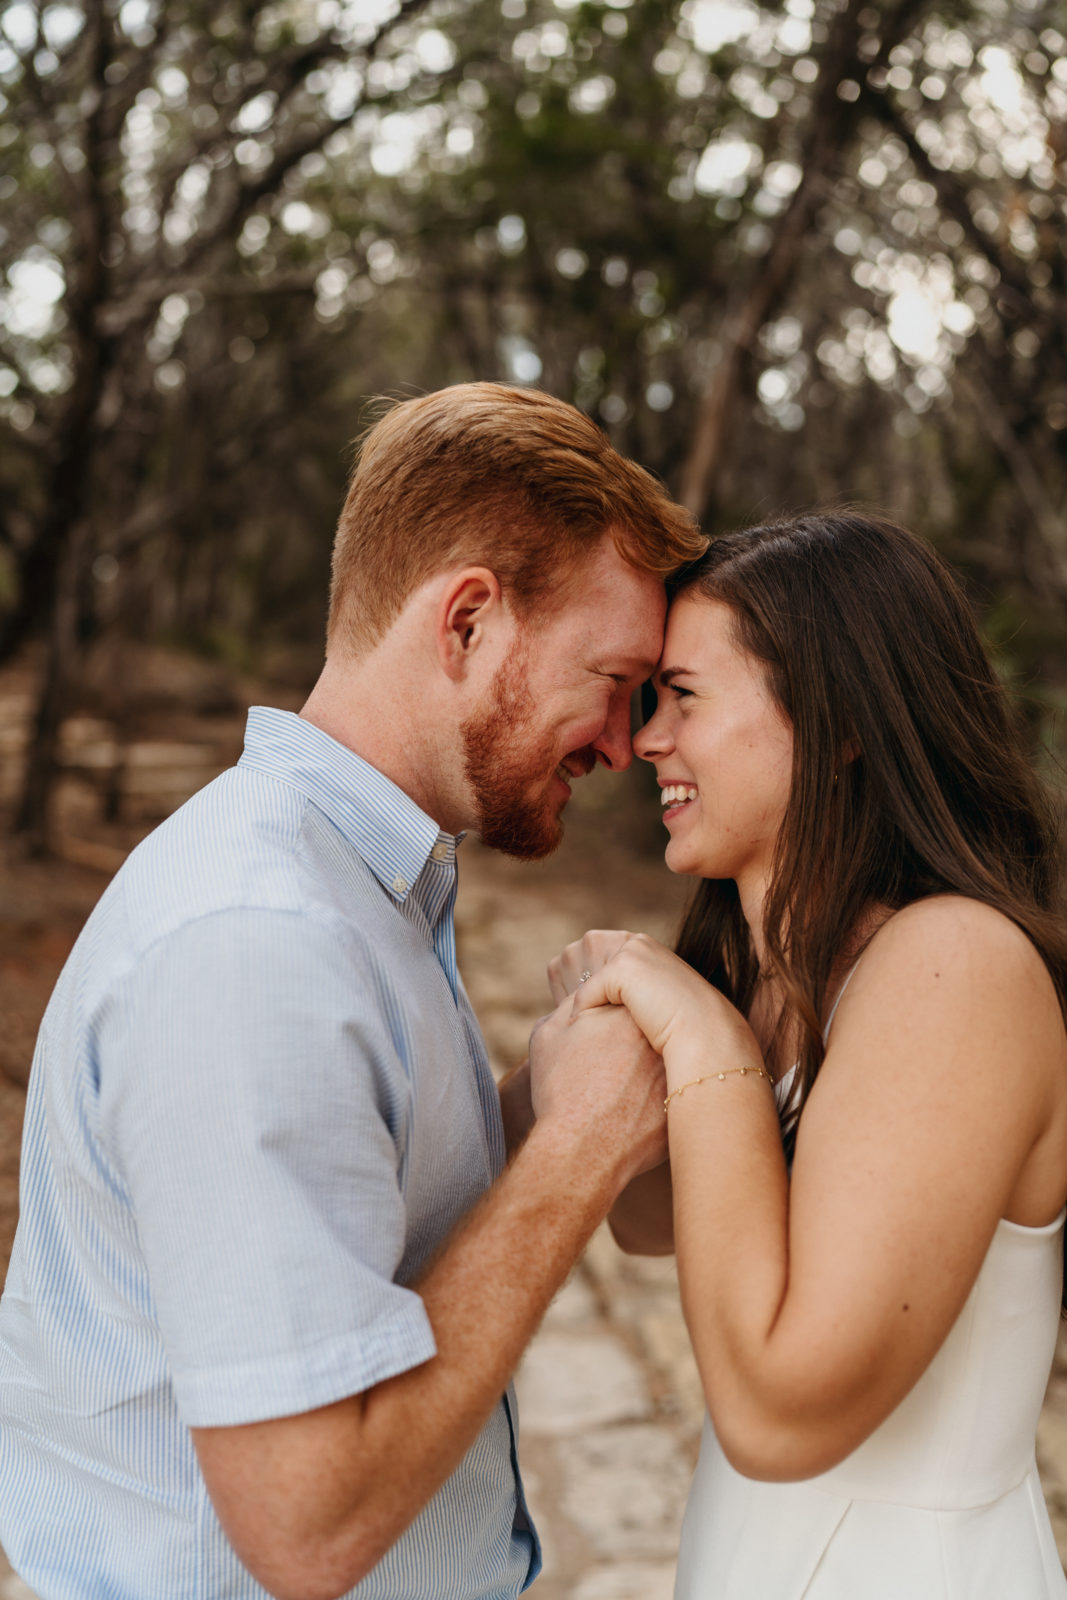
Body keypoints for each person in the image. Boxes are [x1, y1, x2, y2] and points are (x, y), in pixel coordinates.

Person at [0, 382, 706, 1600]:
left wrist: (536, 1104)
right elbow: (307, 1523)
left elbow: (364, 1225)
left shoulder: (351, 885)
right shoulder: (256, 943)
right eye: (614, 678)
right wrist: (582, 1146)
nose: (620, 740)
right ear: (469, 622)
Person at [552, 511, 1067, 1597]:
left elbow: (779, 1410)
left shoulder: (953, 969)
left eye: (682, 697)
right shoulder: (774, 970)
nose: (645, 738)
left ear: (835, 724)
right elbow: (645, 1221)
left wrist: (694, 1037)